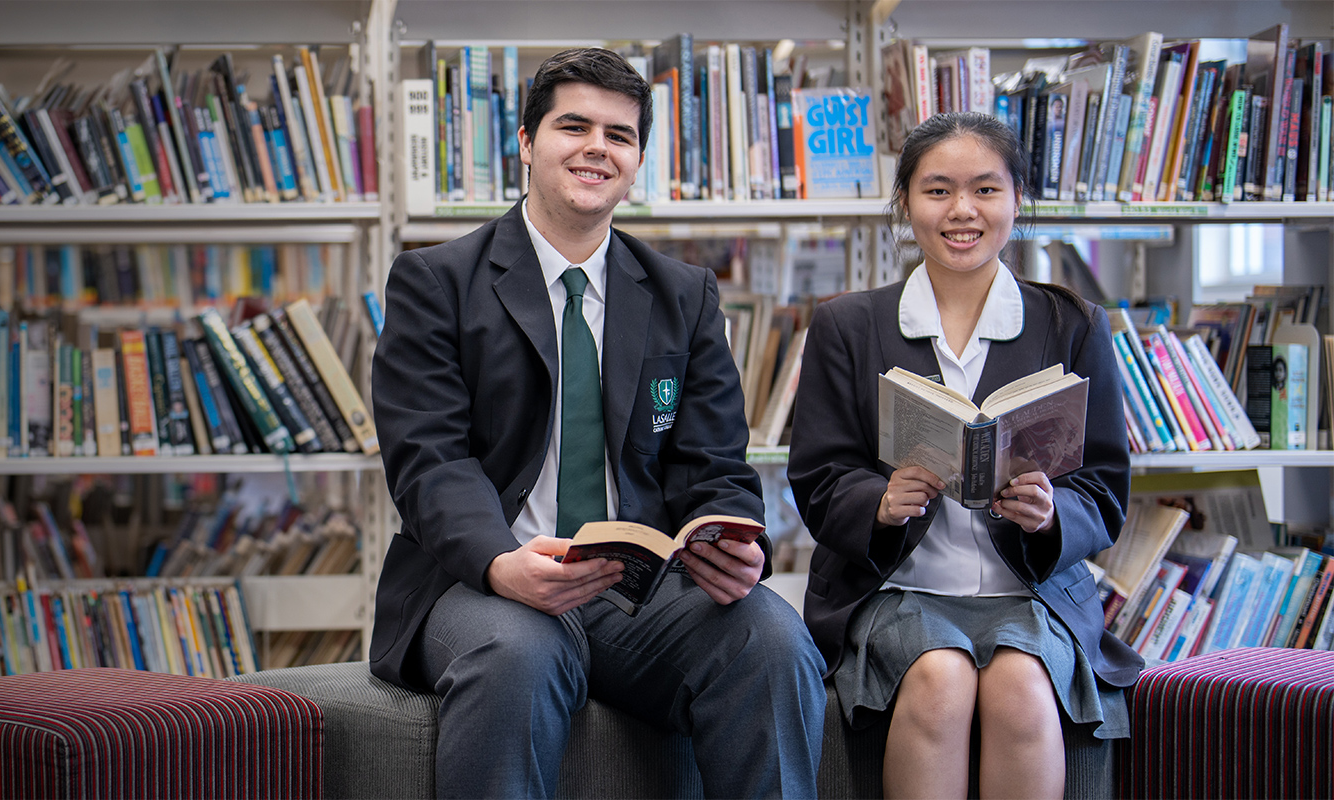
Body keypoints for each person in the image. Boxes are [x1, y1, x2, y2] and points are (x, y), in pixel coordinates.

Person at [369, 47, 825, 799]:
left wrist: (735, 537)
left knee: (772, 637)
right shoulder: (436, 282)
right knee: (519, 649)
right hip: (481, 582)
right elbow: (430, 462)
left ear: (637, 158)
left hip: (637, 596)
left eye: (619, 135)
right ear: (524, 142)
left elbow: (716, 461)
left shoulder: (684, 295)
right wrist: (499, 565)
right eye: (572, 126)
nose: (596, 148)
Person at [787, 111, 1142, 799]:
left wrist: (1050, 514)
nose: (962, 211)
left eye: (985, 190)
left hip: (1029, 593)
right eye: (937, 190)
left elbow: (1103, 488)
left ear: (1016, 200)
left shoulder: (1072, 324)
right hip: (895, 589)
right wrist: (880, 504)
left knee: (1021, 688)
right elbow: (817, 478)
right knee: (940, 678)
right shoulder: (847, 325)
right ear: (907, 203)